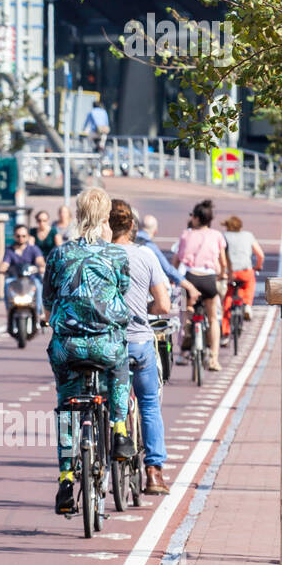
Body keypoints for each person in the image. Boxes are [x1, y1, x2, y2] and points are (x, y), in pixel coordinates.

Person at [42, 187, 131, 516]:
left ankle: (66, 477)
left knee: (66, 405)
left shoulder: (59, 254)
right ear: (106, 219)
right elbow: (121, 293)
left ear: (78, 217)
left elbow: (48, 299)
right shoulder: (118, 255)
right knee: (120, 365)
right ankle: (119, 429)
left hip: (67, 345)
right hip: (105, 345)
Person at [109, 199, 172, 495]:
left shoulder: (101, 255)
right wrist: (142, 308)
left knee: (108, 398)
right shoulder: (146, 255)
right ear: (133, 225)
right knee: (149, 403)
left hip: (109, 345)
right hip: (140, 342)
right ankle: (154, 472)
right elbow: (163, 305)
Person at [172, 199, 228, 372]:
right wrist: (220, 275)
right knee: (213, 318)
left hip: (189, 279)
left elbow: (176, 261)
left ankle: (183, 352)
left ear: (196, 218)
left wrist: (174, 278)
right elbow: (223, 262)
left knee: (185, 315)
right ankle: (214, 358)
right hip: (209, 278)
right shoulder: (217, 235)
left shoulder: (186, 234)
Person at [221, 215, 264, 335]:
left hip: (230, 273)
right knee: (250, 283)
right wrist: (258, 266)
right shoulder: (248, 235)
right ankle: (247, 304)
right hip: (245, 272)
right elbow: (260, 255)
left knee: (228, 298)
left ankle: (225, 332)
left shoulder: (224, 236)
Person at [1, 222, 46, 325]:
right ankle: (9, 310)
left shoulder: (33, 249)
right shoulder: (9, 250)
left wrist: (41, 265)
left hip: (31, 279)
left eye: (23, 236)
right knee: (7, 283)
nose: (21, 238)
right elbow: (5, 263)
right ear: (14, 236)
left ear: (28, 236)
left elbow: (40, 260)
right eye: (18, 236)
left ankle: (39, 311)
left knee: (38, 285)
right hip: (15, 280)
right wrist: (2, 268)